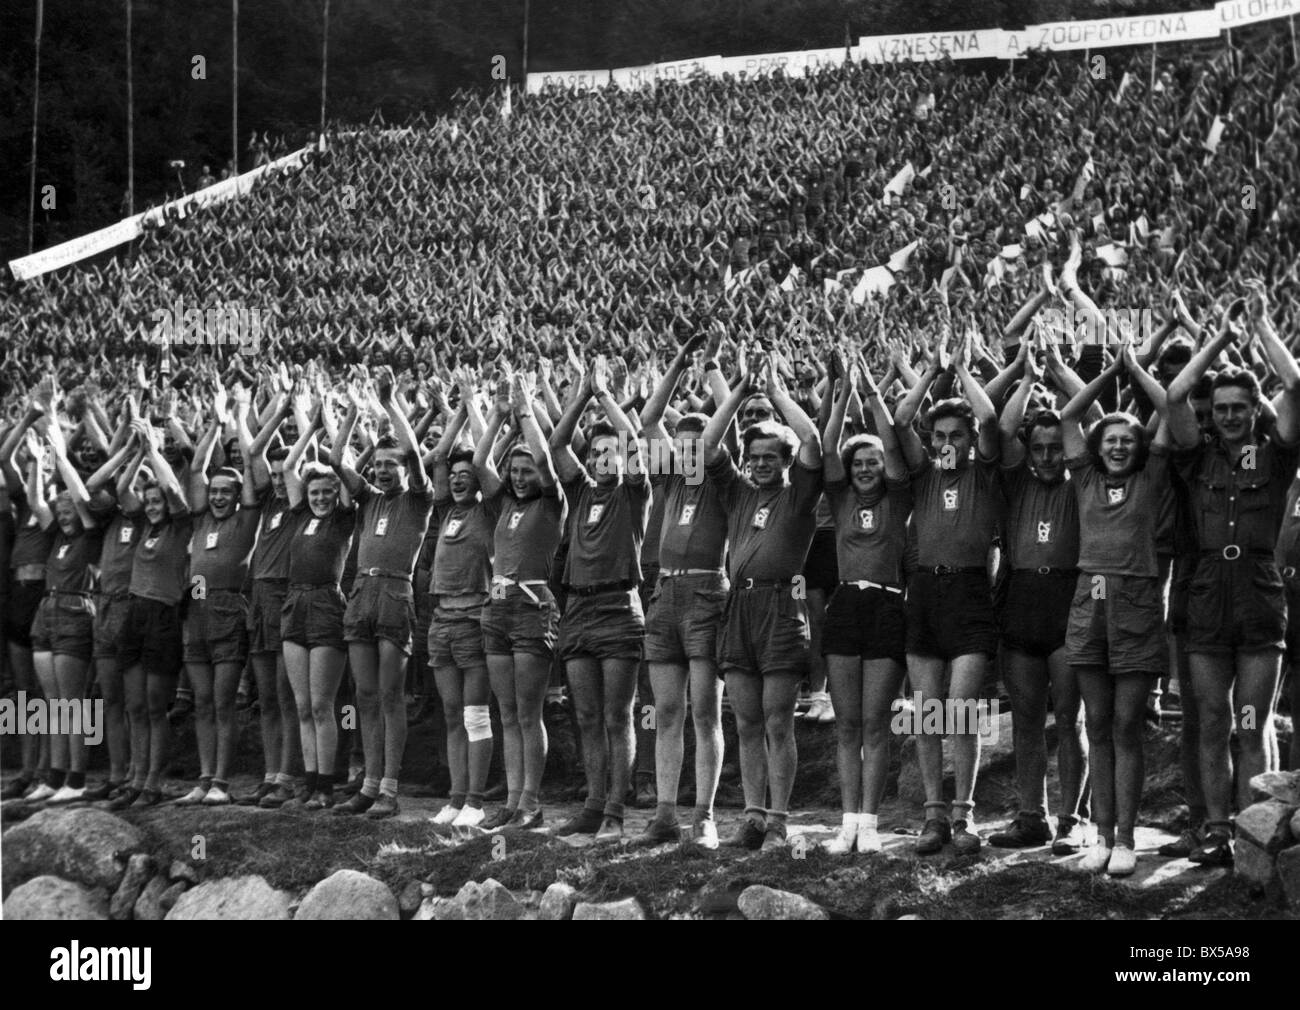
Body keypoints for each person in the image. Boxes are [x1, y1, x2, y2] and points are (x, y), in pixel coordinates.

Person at [1165, 284, 1300, 866]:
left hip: (1258, 592)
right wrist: (1219, 336)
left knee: (1253, 719)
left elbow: (1295, 386)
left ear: (1254, 410)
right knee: (1213, 720)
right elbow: (1173, 396)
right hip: (1205, 596)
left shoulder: (1275, 454)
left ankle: (1256, 830)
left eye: (1237, 408)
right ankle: (1218, 829)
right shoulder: (1199, 454)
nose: (1227, 417)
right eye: (1220, 409)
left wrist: (1262, 327)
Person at [701, 352, 823, 852]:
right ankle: (751, 817)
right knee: (746, 719)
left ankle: (778, 820)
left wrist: (774, 394)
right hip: (740, 609)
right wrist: (738, 393)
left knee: (777, 719)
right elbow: (709, 445)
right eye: (754, 458)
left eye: (770, 457)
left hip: (780, 610)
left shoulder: (799, 497)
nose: (760, 465)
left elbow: (814, 440)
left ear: (786, 460)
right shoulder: (739, 492)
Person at [1060, 340, 1173, 876]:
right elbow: (1069, 414)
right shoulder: (1083, 476)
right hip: (1089, 600)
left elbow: (1171, 406)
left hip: (1136, 599)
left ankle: (1127, 836)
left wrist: (1138, 369)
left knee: (1128, 724)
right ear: (1098, 446)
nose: (1120, 447)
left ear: (1141, 446)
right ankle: (1100, 837)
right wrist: (1110, 372)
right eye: (1112, 439)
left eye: (1129, 440)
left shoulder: (1151, 478)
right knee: (1097, 723)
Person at [892, 327, 1001, 855]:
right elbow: (898, 420)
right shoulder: (923, 474)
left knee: (962, 707)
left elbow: (995, 420)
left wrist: (961, 370)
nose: (947, 444)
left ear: (970, 437)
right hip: (924, 596)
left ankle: (966, 816)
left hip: (971, 592)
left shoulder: (985, 473)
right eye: (940, 436)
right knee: (926, 709)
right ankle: (934, 815)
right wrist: (933, 370)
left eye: (957, 435)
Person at [988, 341, 1090, 853]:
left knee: (1071, 719)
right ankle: (1033, 816)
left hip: (1069, 596)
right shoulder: (1015, 483)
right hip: (1022, 596)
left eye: (1056, 447)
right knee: (1027, 720)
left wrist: (1059, 369)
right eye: (1041, 448)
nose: (1049, 456)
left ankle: (1074, 819)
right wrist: (1027, 378)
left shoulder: (1084, 480)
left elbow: (1088, 411)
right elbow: (1002, 429)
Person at [549, 357, 651, 842]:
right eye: (598, 454)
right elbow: (556, 443)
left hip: (617, 609)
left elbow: (637, 444)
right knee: (586, 715)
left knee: (617, 714)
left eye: (613, 452)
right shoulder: (581, 492)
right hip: (576, 610)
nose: (605, 460)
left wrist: (606, 396)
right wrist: (583, 395)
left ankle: (616, 811)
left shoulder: (633, 494)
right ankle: (592, 805)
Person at [330, 367, 433, 818]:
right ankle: (369, 784)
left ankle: (390, 788)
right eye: (378, 465)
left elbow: (412, 451)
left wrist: (390, 402)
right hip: (360, 593)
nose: (383, 471)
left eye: (391, 465)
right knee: (364, 696)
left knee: (390, 695)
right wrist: (353, 416)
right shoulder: (369, 498)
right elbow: (337, 461)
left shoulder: (418, 498)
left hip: (394, 594)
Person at [820, 352, 910, 854]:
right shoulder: (839, 499)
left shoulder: (898, 498)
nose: (867, 469)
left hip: (888, 606)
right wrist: (841, 391)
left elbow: (894, 449)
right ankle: (847, 822)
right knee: (847, 724)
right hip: (845, 608)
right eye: (860, 463)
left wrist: (870, 391)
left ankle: (871, 822)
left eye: (874, 462)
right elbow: (829, 446)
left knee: (876, 722)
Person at [639, 332, 726, 849]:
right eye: (683, 441)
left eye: (698, 440)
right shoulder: (672, 480)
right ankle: (665, 814)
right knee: (667, 710)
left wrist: (713, 371)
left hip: (706, 595)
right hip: (665, 596)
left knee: (705, 711)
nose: (688, 447)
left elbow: (719, 431)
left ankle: (705, 816)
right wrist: (678, 362)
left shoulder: (720, 480)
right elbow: (650, 421)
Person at [475, 370, 565, 830]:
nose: (521, 476)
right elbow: (478, 462)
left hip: (533, 608)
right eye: (515, 470)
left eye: (527, 469)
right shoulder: (503, 504)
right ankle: (511, 801)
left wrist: (526, 410)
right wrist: (497, 415)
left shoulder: (551, 503)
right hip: (496, 609)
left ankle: (531, 802)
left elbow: (548, 464)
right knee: (506, 710)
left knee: (529, 712)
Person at [175, 405, 260, 806]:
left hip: (228, 610)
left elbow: (247, 487)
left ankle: (222, 782)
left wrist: (240, 418)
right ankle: (204, 776)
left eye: (227, 491)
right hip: (196, 609)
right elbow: (195, 471)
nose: (220, 497)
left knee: (224, 702)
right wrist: (213, 423)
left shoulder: (245, 521)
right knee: (203, 701)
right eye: (215, 492)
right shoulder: (201, 520)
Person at [111, 416, 192, 809]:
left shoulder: (180, 525)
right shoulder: (144, 522)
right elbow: (122, 488)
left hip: (163, 616)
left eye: (157, 501)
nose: (153, 506)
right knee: (135, 705)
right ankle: (135, 776)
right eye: (150, 502)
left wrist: (156, 453)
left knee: (155, 707)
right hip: (134, 613)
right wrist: (136, 452)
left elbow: (174, 488)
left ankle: (153, 783)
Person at [426, 398, 497, 829]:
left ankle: (476, 799)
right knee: (452, 715)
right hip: (441, 620)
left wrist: (474, 406)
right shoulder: (444, 509)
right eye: (453, 477)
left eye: (465, 477)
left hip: (474, 618)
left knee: (475, 715)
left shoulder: (488, 508)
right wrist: (448, 413)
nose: (456, 481)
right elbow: (435, 458)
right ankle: (455, 798)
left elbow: (486, 462)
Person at [281, 401, 356, 811]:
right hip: (295, 603)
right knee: (303, 705)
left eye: (327, 492)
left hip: (327, 603)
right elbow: (289, 469)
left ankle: (326, 785)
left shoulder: (342, 519)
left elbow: (342, 467)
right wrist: (309, 426)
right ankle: (308, 783)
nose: (322, 497)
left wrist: (337, 423)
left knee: (323, 704)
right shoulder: (299, 515)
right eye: (315, 492)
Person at [26, 421, 103, 803]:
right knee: (52, 702)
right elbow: (35, 502)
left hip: (75, 611)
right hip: (47, 612)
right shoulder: (55, 535)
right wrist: (37, 464)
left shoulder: (89, 535)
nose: (64, 512)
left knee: (73, 703)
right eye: (61, 508)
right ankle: (54, 778)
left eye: (69, 506)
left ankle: (77, 779)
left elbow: (81, 497)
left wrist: (59, 445)